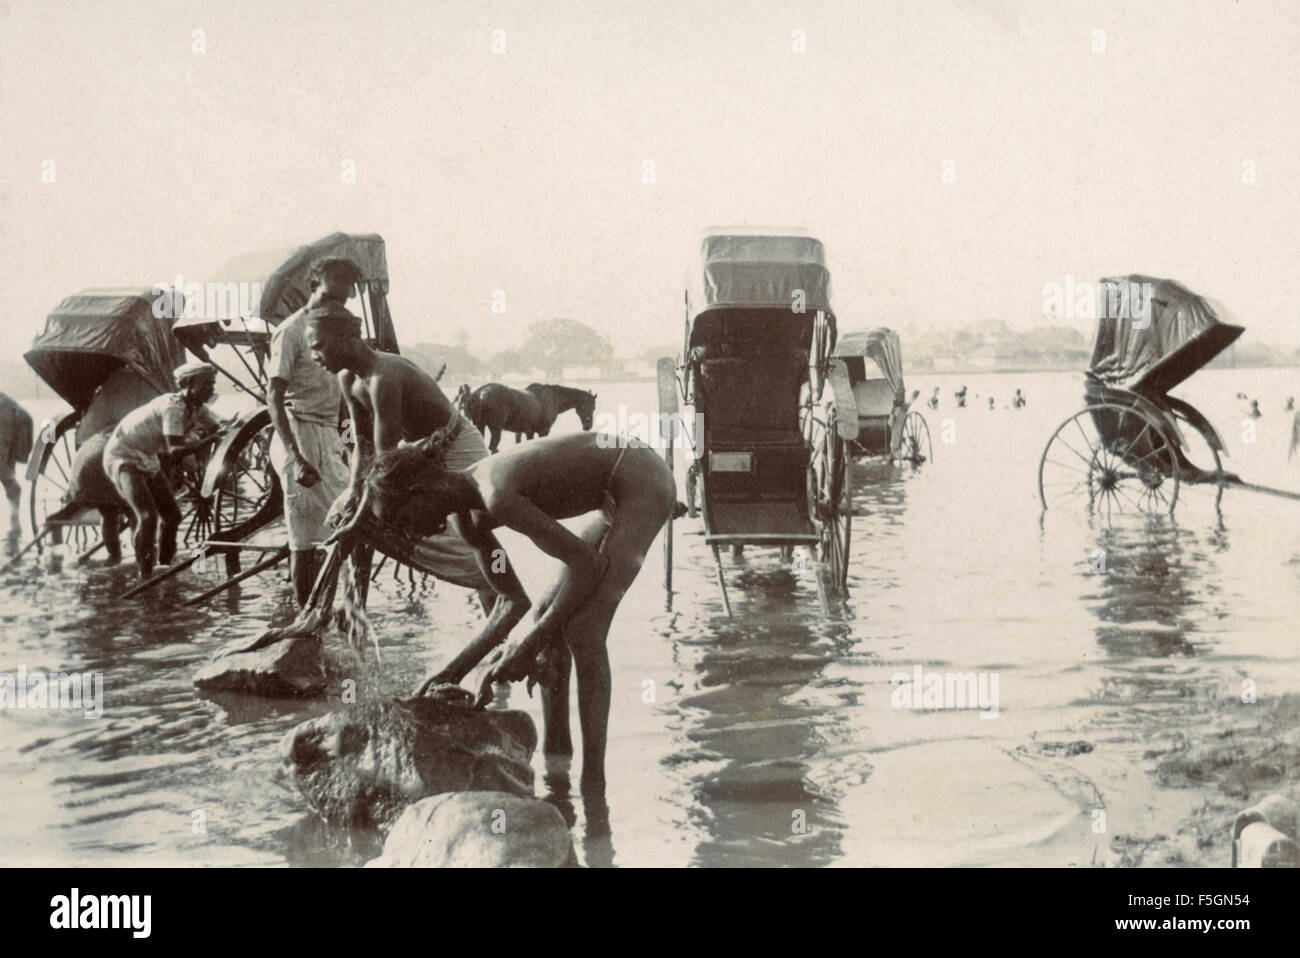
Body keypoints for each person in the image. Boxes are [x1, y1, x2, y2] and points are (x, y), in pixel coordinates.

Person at [363, 427, 676, 794]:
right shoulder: (471, 523)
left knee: (584, 630)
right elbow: (512, 602)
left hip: (641, 478)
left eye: (401, 519)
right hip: (612, 494)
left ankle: (594, 784)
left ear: (418, 492)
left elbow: (589, 566)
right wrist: (450, 673)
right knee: (547, 612)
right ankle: (557, 763)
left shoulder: (496, 495)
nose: (409, 533)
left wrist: (527, 642)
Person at [304, 301, 495, 602]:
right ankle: (351, 606)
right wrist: (353, 494)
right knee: (344, 509)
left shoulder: (384, 377)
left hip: (457, 449)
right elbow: (361, 446)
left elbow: (385, 464)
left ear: (347, 338)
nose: (315, 357)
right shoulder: (348, 378)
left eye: (318, 347)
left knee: (476, 535)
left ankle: (495, 590)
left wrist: (359, 511)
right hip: (418, 452)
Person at [267, 257, 359, 606]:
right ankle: (306, 620)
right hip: (298, 432)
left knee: (344, 522)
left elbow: (344, 402)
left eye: (346, 292)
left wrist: (351, 448)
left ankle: (336, 611)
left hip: (328, 434)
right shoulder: (292, 330)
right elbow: (273, 395)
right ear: (314, 285)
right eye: (333, 289)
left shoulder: (334, 333)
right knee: (303, 539)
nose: (341, 297)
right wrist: (295, 456)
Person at [102, 362, 222, 577]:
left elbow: (219, 428)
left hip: (147, 456)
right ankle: (145, 574)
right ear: (188, 384)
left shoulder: (197, 408)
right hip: (123, 455)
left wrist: (230, 429)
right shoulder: (172, 408)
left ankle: (165, 567)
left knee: (173, 516)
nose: (211, 390)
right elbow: (175, 450)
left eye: (212, 385)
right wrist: (209, 440)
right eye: (205, 385)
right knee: (147, 516)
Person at [0, 392, 33, 534]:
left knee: (6, 473)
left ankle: (15, 519)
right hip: (11, 421)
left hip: (8, 423)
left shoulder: (6, 405)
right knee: (6, 473)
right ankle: (15, 520)